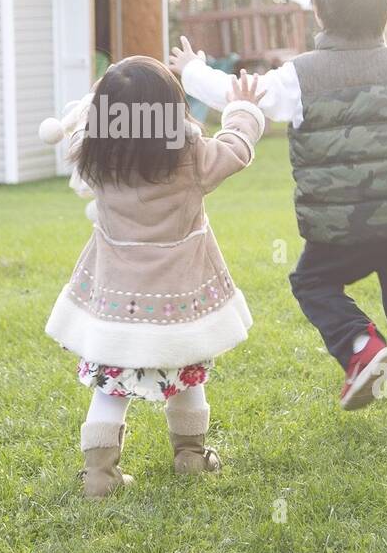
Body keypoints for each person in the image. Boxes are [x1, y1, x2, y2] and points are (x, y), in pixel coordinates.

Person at [174, 0, 387, 432]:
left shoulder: (299, 76)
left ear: (319, 10)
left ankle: (360, 346)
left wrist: (191, 70)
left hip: (340, 226)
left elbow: (238, 95)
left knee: (314, 283)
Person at [44, 57, 266, 497]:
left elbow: (93, 127)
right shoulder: (192, 158)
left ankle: (100, 475)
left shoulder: (97, 161)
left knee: (110, 385)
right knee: (186, 374)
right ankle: (191, 456)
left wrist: (100, 102)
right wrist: (242, 108)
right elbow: (237, 147)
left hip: (116, 303)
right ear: (173, 110)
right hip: (177, 302)